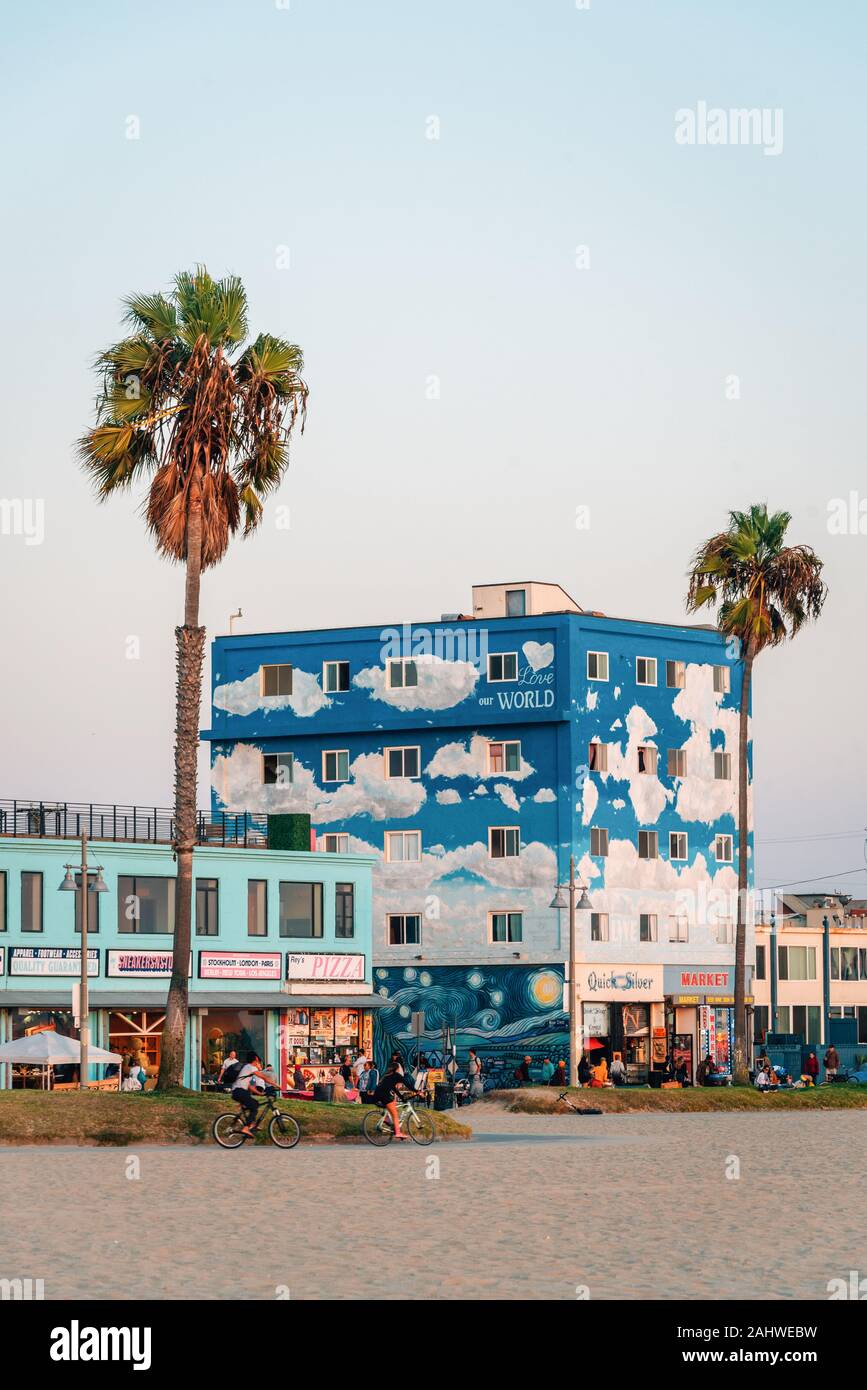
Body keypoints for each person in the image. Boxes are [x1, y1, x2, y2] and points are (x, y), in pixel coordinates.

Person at [372, 1058, 422, 1140]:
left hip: (377, 1095)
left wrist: (402, 1097)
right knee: (395, 1114)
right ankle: (398, 1133)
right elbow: (408, 1085)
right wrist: (417, 1091)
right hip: (385, 1095)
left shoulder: (387, 1076)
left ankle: (386, 1119)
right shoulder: (397, 1075)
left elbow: (394, 1089)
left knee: (392, 1105)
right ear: (397, 1069)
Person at [231, 1052, 275, 1137]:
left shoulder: (247, 1068)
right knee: (254, 1106)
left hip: (239, 1091)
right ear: (256, 1058)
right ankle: (246, 1128)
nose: (259, 1064)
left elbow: (250, 1086)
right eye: (259, 1062)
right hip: (240, 1091)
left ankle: (251, 1124)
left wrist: (260, 1093)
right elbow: (264, 1077)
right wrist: (278, 1085)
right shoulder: (251, 1067)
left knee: (254, 1104)